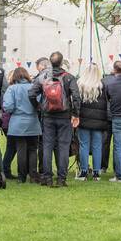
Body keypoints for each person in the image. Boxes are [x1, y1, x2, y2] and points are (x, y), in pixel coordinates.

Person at [30, 51, 80, 186]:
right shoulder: (69, 77)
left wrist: (39, 107)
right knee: (63, 146)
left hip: (47, 116)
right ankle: (61, 178)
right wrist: (76, 114)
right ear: (62, 62)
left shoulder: (42, 77)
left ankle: (47, 178)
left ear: (50, 62)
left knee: (47, 146)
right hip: (64, 116)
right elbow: (76, 97)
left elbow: (31, 94)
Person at [1, 66, 41, 184]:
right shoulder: (34, 87)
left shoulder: (12, 89)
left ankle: (21, 176)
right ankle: (33, 175)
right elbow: (39, 103)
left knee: (21, 149)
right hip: (33, 121)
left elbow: (8, 107)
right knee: (33, 149)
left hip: (17, 123)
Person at [76, 62, 109, 180]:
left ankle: (84, 171)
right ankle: (96, 172)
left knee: (83, 145)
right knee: (97, 146)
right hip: (99, 120)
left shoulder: (80, 85)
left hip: (83, 119)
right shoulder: (102, 86)